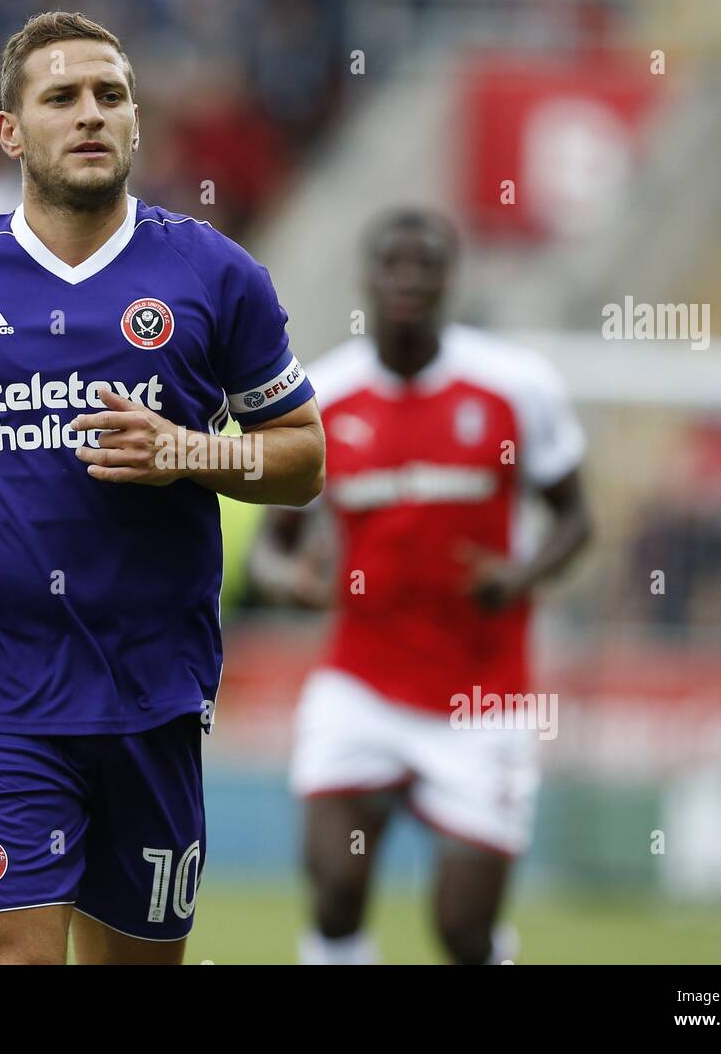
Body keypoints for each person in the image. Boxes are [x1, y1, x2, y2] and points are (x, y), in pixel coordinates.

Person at [0, 10, 325, 965]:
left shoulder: (216, 275)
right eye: (61, 97)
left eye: (111, 95)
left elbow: (303, 454)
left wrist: (192, 452)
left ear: (137, 121)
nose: (91, 114)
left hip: (155, 691)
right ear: (12, 131)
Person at [252, 208, 591, 964]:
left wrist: (524, 574)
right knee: (336, 890)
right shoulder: (323, 398)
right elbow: (268, 554)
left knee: (462, 930)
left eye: (425, 264)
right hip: (360, 683)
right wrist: (294, 582)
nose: (407, 278)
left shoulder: (514, 386)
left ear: (450, 278)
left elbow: (576, 520)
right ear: (365, 277)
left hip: (481, 693)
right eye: (392, 263)